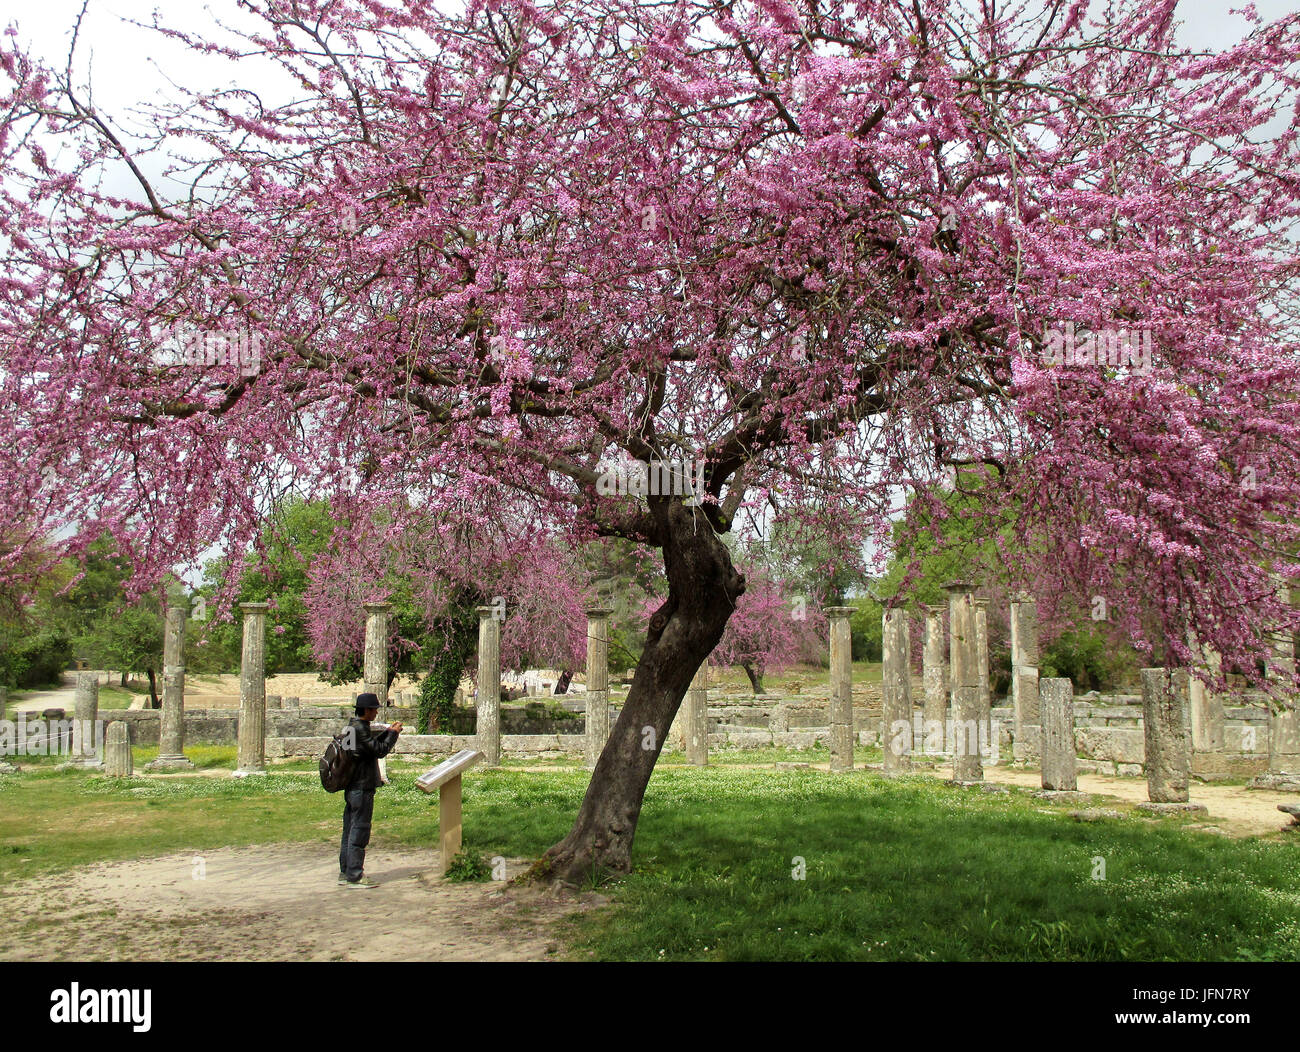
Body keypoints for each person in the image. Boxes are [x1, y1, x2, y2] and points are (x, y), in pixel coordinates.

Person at [338, 692, 402, 888]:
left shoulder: (351, 727)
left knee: (349, 829)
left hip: (351, 786)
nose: (375, 712)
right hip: (362, 786)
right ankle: (355, 875)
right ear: (365, 710)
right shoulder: (360, 729)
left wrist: (387, 732)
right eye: (374, 709)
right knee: (359, 829)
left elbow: (368, 747)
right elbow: (379, 750)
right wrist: (393, 734)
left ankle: (346, 871)